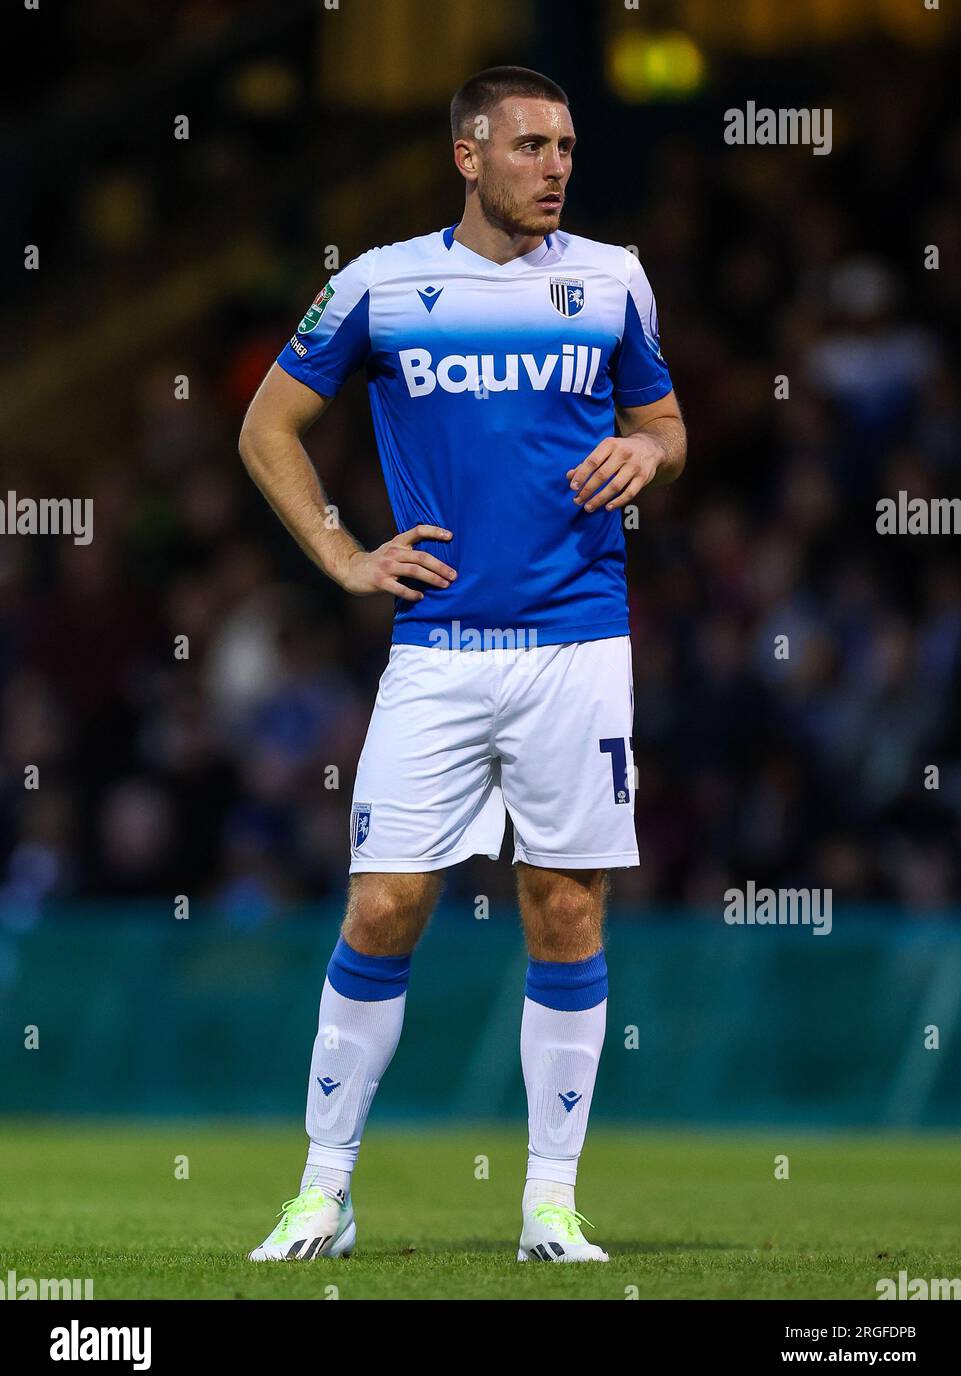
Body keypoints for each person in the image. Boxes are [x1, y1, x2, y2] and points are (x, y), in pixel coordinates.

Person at [239, 65, 686, 1264]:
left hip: (579, 642)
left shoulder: (611, 279)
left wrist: (652, 456)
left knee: (564, 905)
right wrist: (341, 554)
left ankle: (549, 1204)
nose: (556, 166)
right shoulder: (380, 284)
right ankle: (323, 1194)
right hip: (438, 651)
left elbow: (666, 420)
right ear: (469, 154)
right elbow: (265, 425)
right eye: (533, 145)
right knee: (384, 903)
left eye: (568, 148)